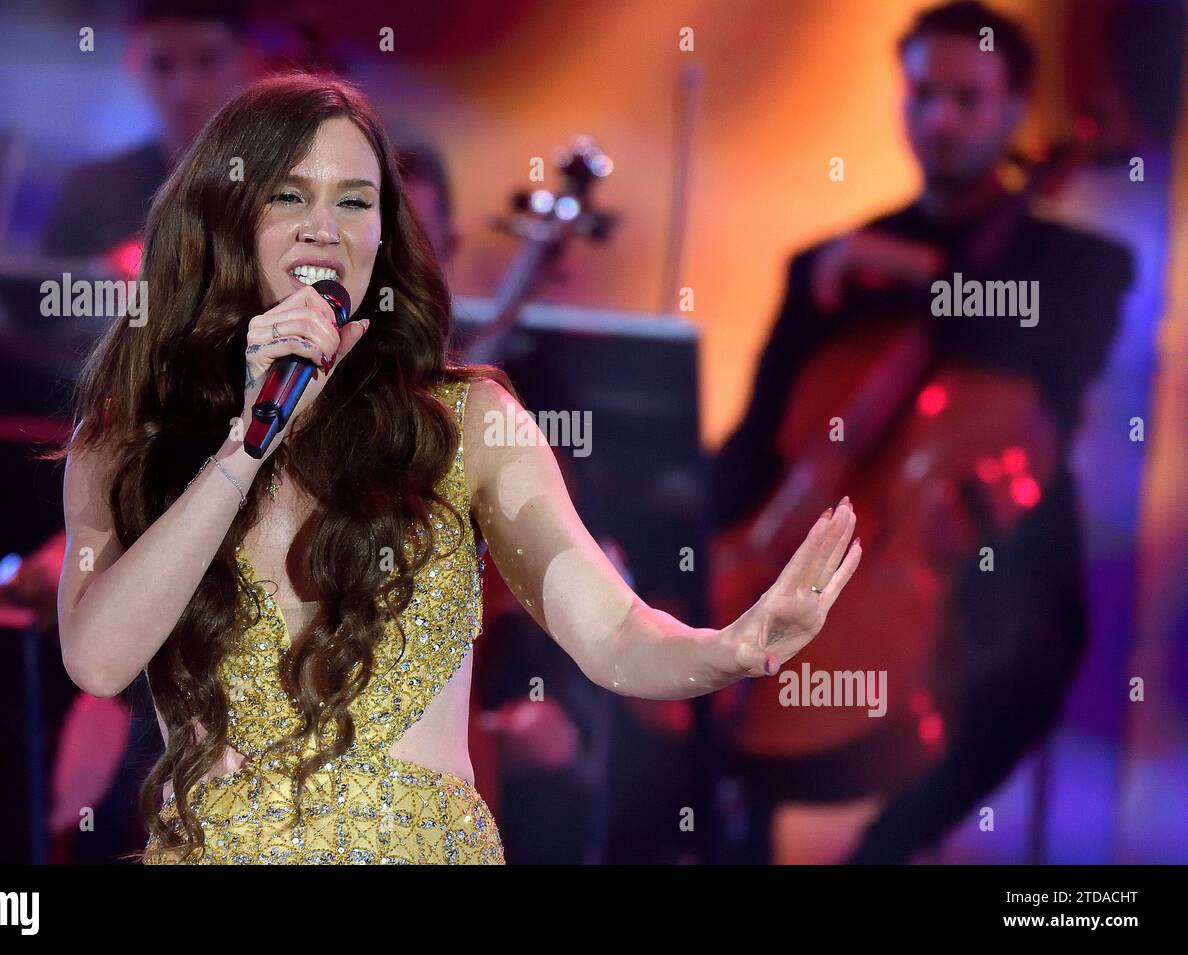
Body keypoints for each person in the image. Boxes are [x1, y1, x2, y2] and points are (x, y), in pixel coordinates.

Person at [51, 71, 861, 864]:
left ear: (384, 234)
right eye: (289, 195)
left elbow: (614, 633)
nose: (324, 227)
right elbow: (98, 656)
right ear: (225, 217)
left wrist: (728, 647)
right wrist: (245, 442)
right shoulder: (128, 441)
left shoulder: (469, 424)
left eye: (355, 201)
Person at [709, 0, 1132, 863]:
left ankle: (887, 847)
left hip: (989, 541)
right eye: (923, 95)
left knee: (1037, 647)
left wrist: (914, 275)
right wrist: (692, 535)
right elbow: (761, 437)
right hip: (827, 531)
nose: (939, 119)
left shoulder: (1080, 267)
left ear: (1015, 111)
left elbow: (1038, 347)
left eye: (967, 100)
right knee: (691, 630)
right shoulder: (826, 265)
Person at [43, 0, 261, 257]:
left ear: (247, 62)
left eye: (207, 61)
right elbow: (48, 293)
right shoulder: (90, 192)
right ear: (134, 65)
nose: (184, 90)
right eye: (162, 64)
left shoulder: (281, 184)